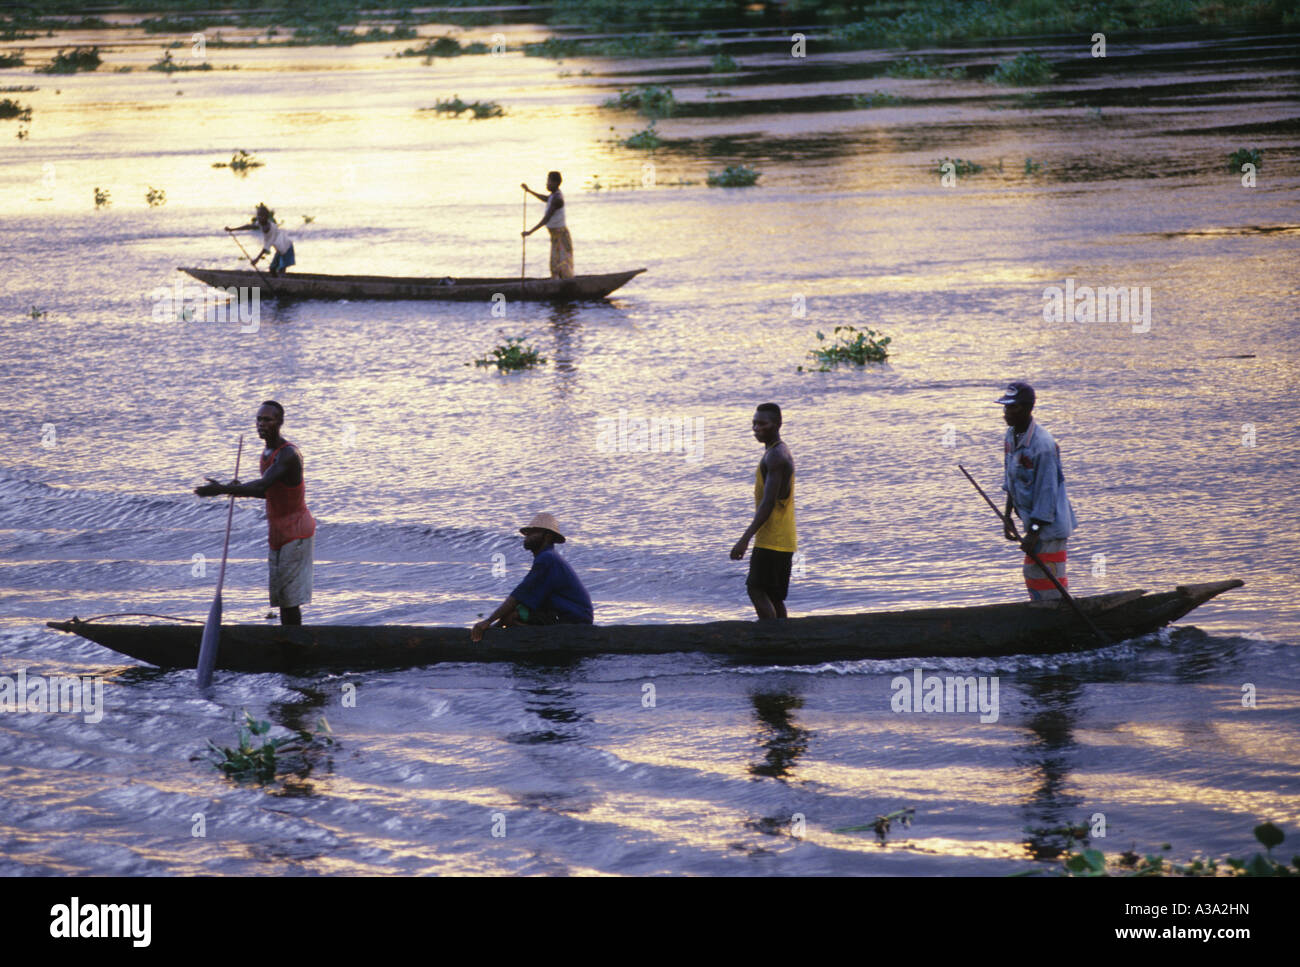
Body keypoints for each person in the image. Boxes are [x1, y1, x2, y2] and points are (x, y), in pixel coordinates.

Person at [194, 400, 316, 625]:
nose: (261, 424)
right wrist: (236, 489)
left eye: (267, 419)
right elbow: (268, 491)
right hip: (278, 533)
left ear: (280, 422)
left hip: (296, 532)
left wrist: (221, 489)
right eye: (259, 419)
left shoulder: (287, 454)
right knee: (281, 598)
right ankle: (286, 641)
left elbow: (261, 486)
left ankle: (294, 646)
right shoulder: (266, 453)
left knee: (290, 600)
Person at [996, 381, 1078, 601]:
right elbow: (1010, 480)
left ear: (1026, 409)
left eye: (1011, 408)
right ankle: (1050, 614)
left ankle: (1058, 618)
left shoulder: (1043, 445)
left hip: (1049, 526)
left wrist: (1032, 533)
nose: (1006, 413)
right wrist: (1007, 516)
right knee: (1036, 576)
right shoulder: (1010, 436)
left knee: (1045, 577)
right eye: (1005, 407)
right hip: (1033, 523)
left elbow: (1046, 494)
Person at [471, 513, 593, 641]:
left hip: (574, 619)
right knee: (514, 614)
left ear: (548, 536)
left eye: (533, 532)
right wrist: (495, 624)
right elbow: (527, 597)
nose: (527, 536)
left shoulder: (547, 559)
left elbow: (518, 596)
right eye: (528, 532)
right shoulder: (547, 557)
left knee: (512, 616)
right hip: (570, 615)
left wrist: (488, 621)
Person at [730, 403, 796, 619]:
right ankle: (783, 638)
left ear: (777, 424)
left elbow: (768, 503)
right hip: (783, 539)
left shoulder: (776, 457)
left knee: (756, 589)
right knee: (774, 595)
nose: (756, 428)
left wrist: (745, 539)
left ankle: (770, 637)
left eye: (762, 424)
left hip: (772, 539)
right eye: (754, 424)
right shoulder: (776, 452)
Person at [521, 172, 574, 279]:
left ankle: (564, 284)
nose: (547, 184)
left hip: (561, 235)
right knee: (555, 261)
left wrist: (530, 232)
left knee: (561, 262)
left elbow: (546, 218)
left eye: (548, 181)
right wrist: (529, 191)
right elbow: (546, 199)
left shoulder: (557, 199)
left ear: (555, 183)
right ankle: (558, 282)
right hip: (555, 235)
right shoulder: (553, 195)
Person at [226, 203, 295, 277]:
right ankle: (276, 282)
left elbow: (265, 249)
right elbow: (249, 226)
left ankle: (281, 284)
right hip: (280, 250)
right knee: (272, 269)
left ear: (266, 217)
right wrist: (233, 229)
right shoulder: (260, 223)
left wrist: (257, 259)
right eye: (258, 215)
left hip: (287, 248)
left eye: (261, 215)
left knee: (281, 269)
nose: (258, 217)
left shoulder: (271, 229)